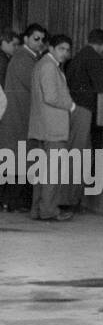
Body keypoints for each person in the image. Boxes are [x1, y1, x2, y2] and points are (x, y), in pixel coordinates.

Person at [28, 34, 84, 221]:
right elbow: (51, 96)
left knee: (41, 173)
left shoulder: (41, 65)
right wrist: (70, 105)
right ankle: (49, 210)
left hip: (43, 127)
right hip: (53, 128)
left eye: (68, 50)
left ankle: (38, 209)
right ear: (51, 48)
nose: (65, 53)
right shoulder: (50, 67)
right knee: (52, 172)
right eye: (61, 49)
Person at [0, 23, 47, 213]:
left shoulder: (23, 58)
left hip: (19, 115)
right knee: (20, 160)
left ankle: (11, 201)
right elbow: (38, 87)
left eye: (42, 40)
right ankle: (14, 202)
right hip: (21, 115)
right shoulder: (25, 59)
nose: (40, 43)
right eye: (36, 39)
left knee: (17, 159)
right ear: (26, 39)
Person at [65, 29, 103, 114]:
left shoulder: (78, 56)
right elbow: (100, 86)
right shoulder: (94, 58)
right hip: (87, 107)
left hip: (74, 103)